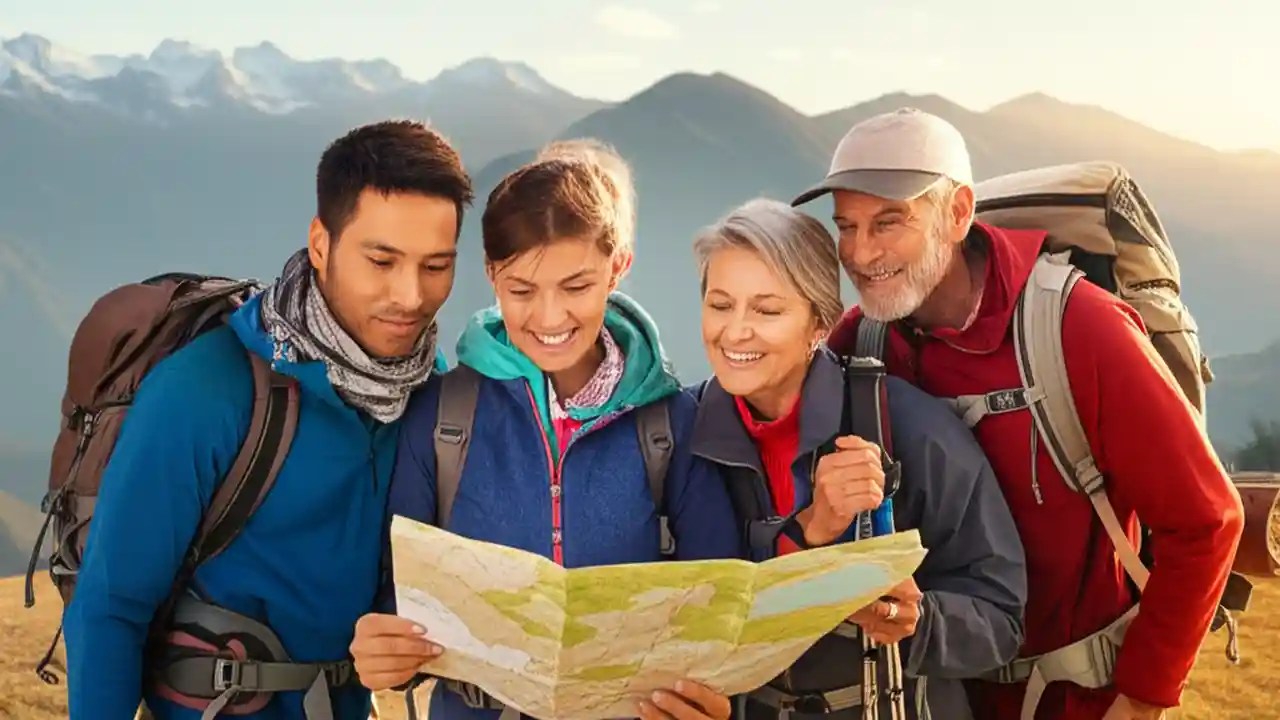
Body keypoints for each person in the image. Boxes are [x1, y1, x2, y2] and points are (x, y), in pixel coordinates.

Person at [794, 108, 1245, 720]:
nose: (859, 252)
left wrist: (1142, 699)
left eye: (888, 222)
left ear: (957, 214)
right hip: (938, 697)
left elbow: (1206, 520)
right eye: (846, 226)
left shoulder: (1078, 329)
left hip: (1081, 701)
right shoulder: (862, 345)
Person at [61, 119, 471, 720]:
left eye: (435, 266)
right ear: (321, 243)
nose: (410, 296)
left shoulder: (427, 385)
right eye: (381, 261)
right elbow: (110, 607)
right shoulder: (206, 389)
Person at [347, 139, 743, 720]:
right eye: (522, 290)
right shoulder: (442, 417)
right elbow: (395, 596)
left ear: (619, 267)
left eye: (577, 286)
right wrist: (381, 648)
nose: (550, 317)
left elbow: (720, 617)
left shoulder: (671, 425)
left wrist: (710, 704)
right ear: (490, 274)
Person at [688, 197, 1027, 719]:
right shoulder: (677, 433)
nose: (735, 331)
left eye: (767, 310)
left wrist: (922, 618)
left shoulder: (908, 431)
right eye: (719, 304)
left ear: (820, 325)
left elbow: (1001, 615)